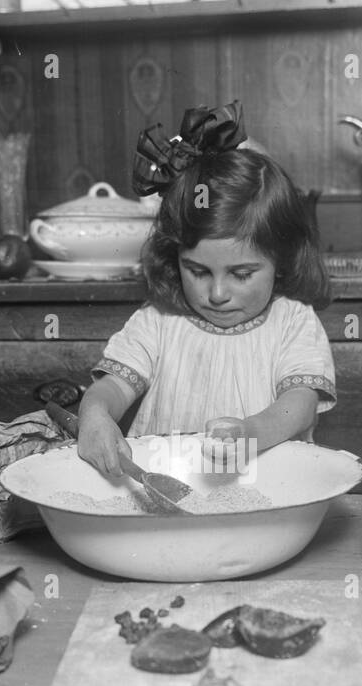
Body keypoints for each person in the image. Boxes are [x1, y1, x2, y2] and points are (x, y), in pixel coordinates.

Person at [77, 102, 336, 478]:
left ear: (281, 259)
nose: (216, 293)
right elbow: (113, 388)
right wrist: (95, 416)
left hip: (271, 493)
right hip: (165, 491)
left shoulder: (293, 322)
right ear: (173, 254)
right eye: (197, 270)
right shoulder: (158, 322)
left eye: (241, 274)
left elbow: (300, 404)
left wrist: (249, 434)